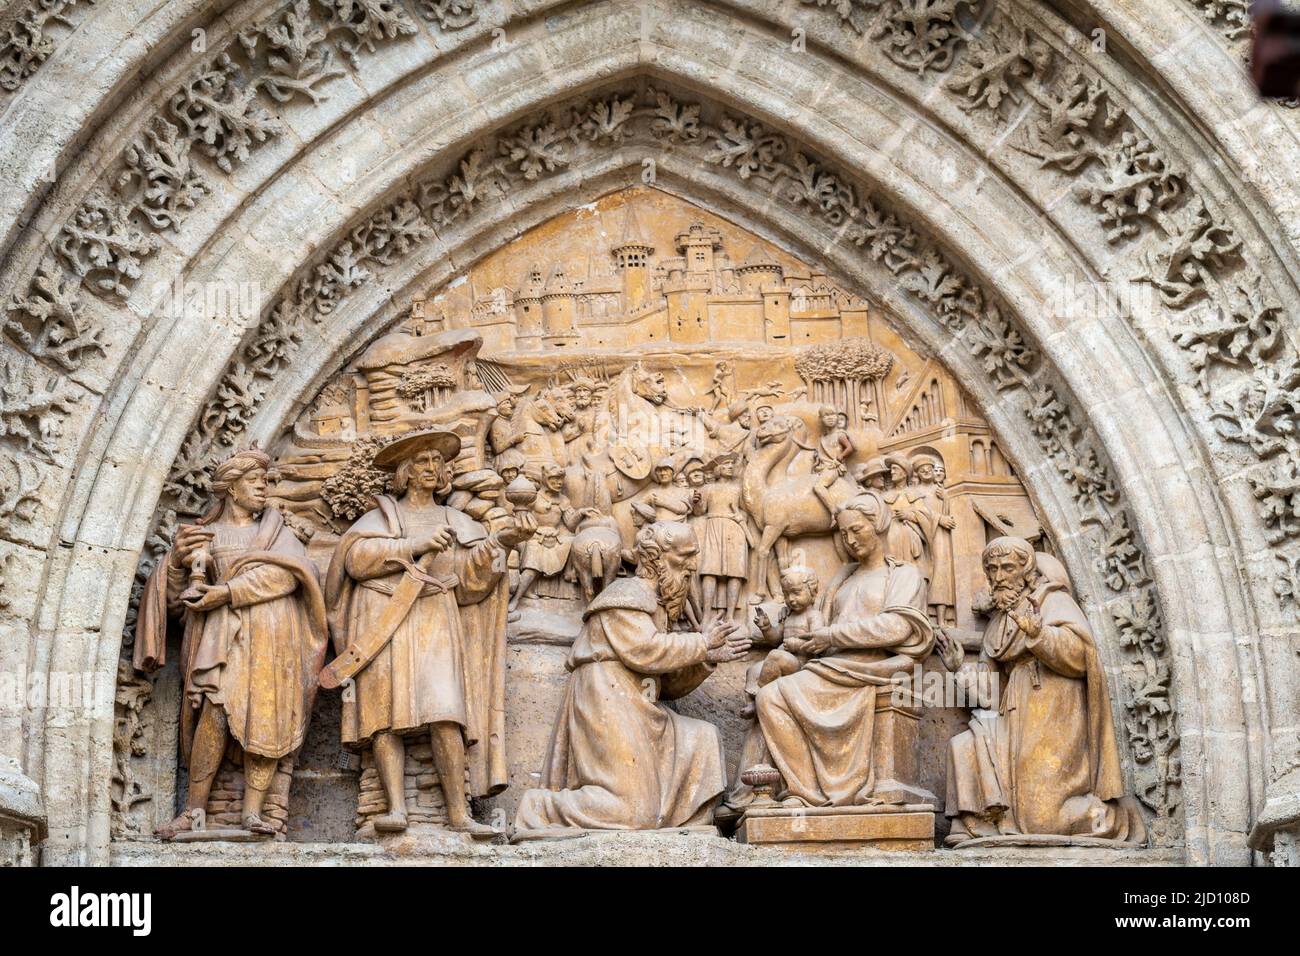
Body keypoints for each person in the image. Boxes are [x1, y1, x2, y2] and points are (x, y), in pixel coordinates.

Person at [324, 429, 536, 834]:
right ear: (405, 471)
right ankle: (395, 808)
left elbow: (470, 580)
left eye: (438, 462)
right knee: (384, 716)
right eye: (423, 461)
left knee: (446, 712)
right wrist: (413, 544)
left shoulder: (457, 521)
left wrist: (501, 543)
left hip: (437, 618)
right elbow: (356, 561)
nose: (432, 468)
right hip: (384, 618)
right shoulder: (379, 520)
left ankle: (458, 814)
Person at [136, 447, 329, 839]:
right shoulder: (206, 536)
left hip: (273, 641)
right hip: (221, 640)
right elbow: (176, 601)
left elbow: (290, 577)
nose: (263, 488)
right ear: (231, 488)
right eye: (254, 482)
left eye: (265, 482)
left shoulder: (277, 535)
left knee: (268, 720)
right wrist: (176, 565)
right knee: (215, 714)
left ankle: (252, 812)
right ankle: (194, 810)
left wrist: (225, 592)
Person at [513, 522, 751, 832]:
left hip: (640, 703)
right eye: (686, 556)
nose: (694, 566)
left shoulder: (656, 603)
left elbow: (664, 683)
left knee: (702, 736)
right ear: (657, 558)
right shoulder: (627, 593)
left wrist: (706, 660)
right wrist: (702, 643)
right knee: (630, 810)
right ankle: (540, 808)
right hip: (607, 697)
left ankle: (684, 822)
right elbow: (645, 650)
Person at [938, 538, 1145, 845]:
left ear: (1027, 570)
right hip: (1013, 712)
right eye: (992, 568)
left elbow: (1080, 656)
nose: (999, 576)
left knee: (1043, 818)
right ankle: (983, 824)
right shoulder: (998, 621)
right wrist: (959, 668)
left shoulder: (1051, 601)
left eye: (1008, 567)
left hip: (1054, 709)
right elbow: (989, 689)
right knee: (964, 745)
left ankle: (1116, 817)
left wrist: (1039, 633)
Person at [755, 492, 932, 807]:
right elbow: (813, 624)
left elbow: (897, 627)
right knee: (769, 695)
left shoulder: (903, 574)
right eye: (844, 533)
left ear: (878, 524)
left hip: (872, 667)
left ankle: (818, 792)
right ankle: (804, 791)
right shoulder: (843, 576)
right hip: (830, 666)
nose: (850, 540)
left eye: (857, 529)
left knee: (772, 695)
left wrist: (831, 636)